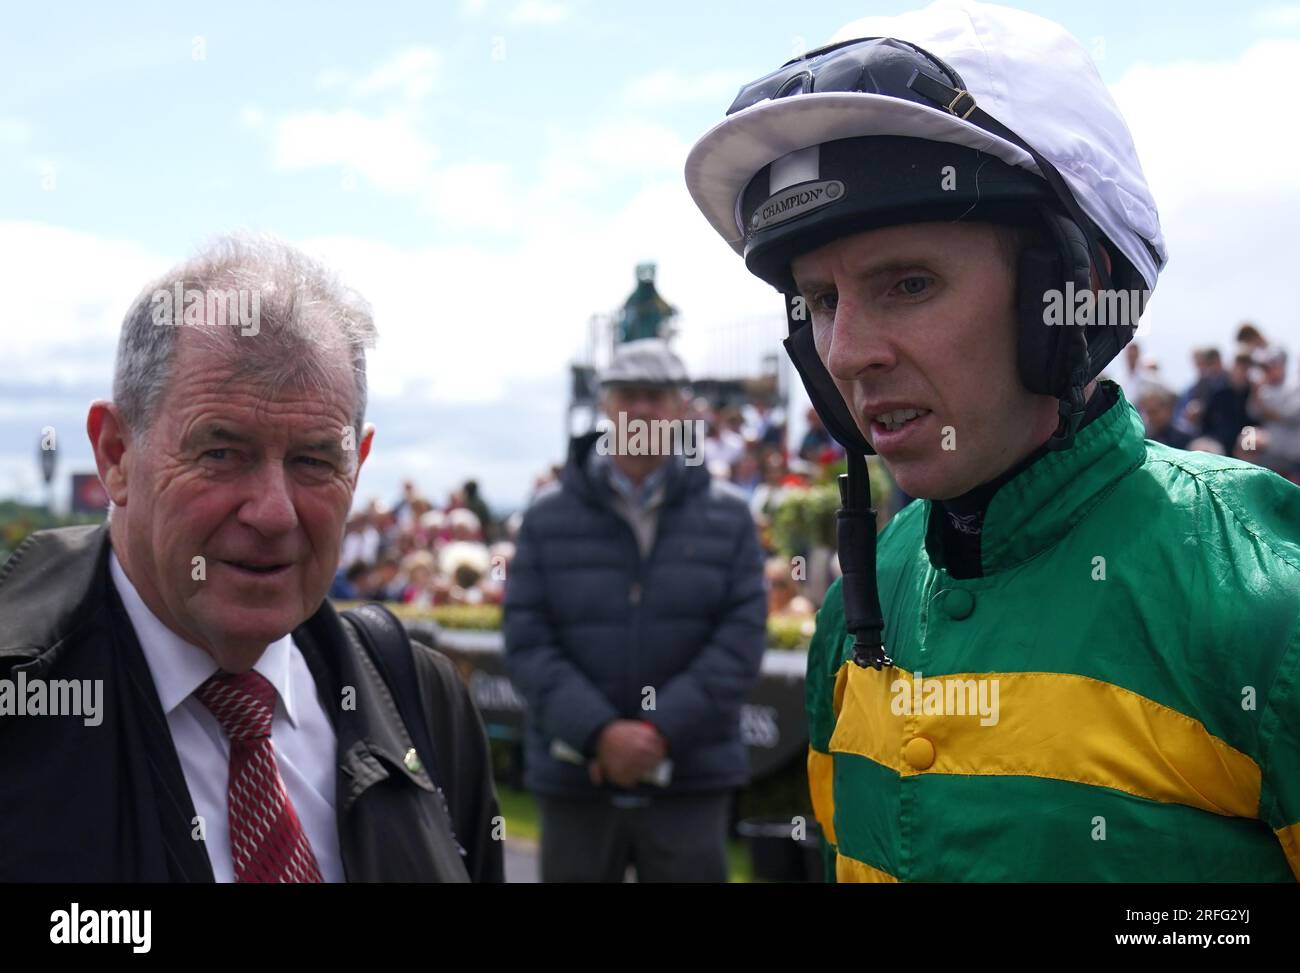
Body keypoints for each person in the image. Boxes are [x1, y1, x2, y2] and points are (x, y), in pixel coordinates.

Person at [684, 0, 1300, 881]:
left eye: (908, 283)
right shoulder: (861, 600)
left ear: (1072, 293)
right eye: (821, 300)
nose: (849, 351)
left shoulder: (1270, 601)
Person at [0, 235, 503, 882]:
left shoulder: (422, 701)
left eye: (315, 461)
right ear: (116, 454)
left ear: (359, 464)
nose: (274, 512)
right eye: (221, 452)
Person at [503, 338, 766, 882]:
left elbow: (740, 640)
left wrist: (660, 732)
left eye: (657, 395)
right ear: (605, 406)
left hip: (689, 778)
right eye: (628, 395)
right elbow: (527, 639)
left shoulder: (730, 519)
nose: (642, 409)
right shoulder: (546, 518)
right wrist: (598, 733)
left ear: (683, 410)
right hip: (577, 780)